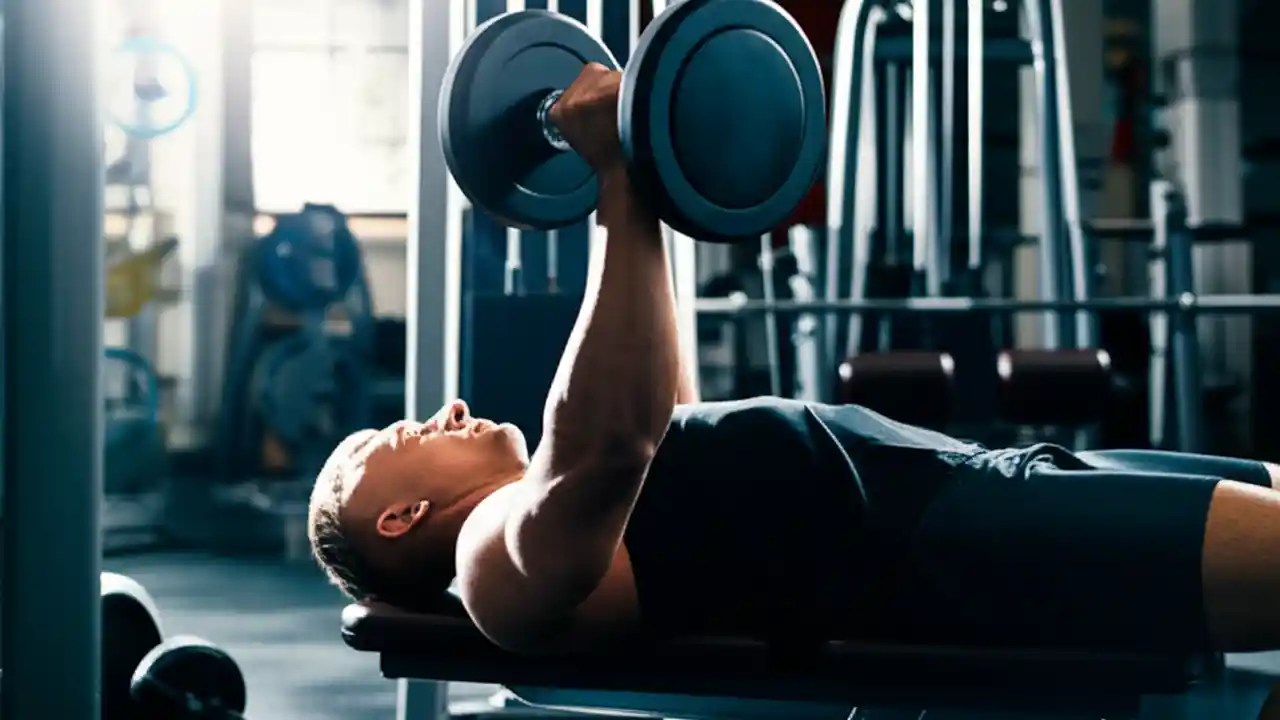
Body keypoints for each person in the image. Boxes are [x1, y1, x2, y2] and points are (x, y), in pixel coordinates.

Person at [309, 64, 1280, 657]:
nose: (444, 410)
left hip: (987, 489)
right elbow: (603, 444)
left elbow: (652, 407)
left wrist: (648, 160)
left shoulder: (586, 509)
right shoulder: (489, 570)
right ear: (397, 516)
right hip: (964, 550)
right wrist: (613, 180)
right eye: (402, 435)